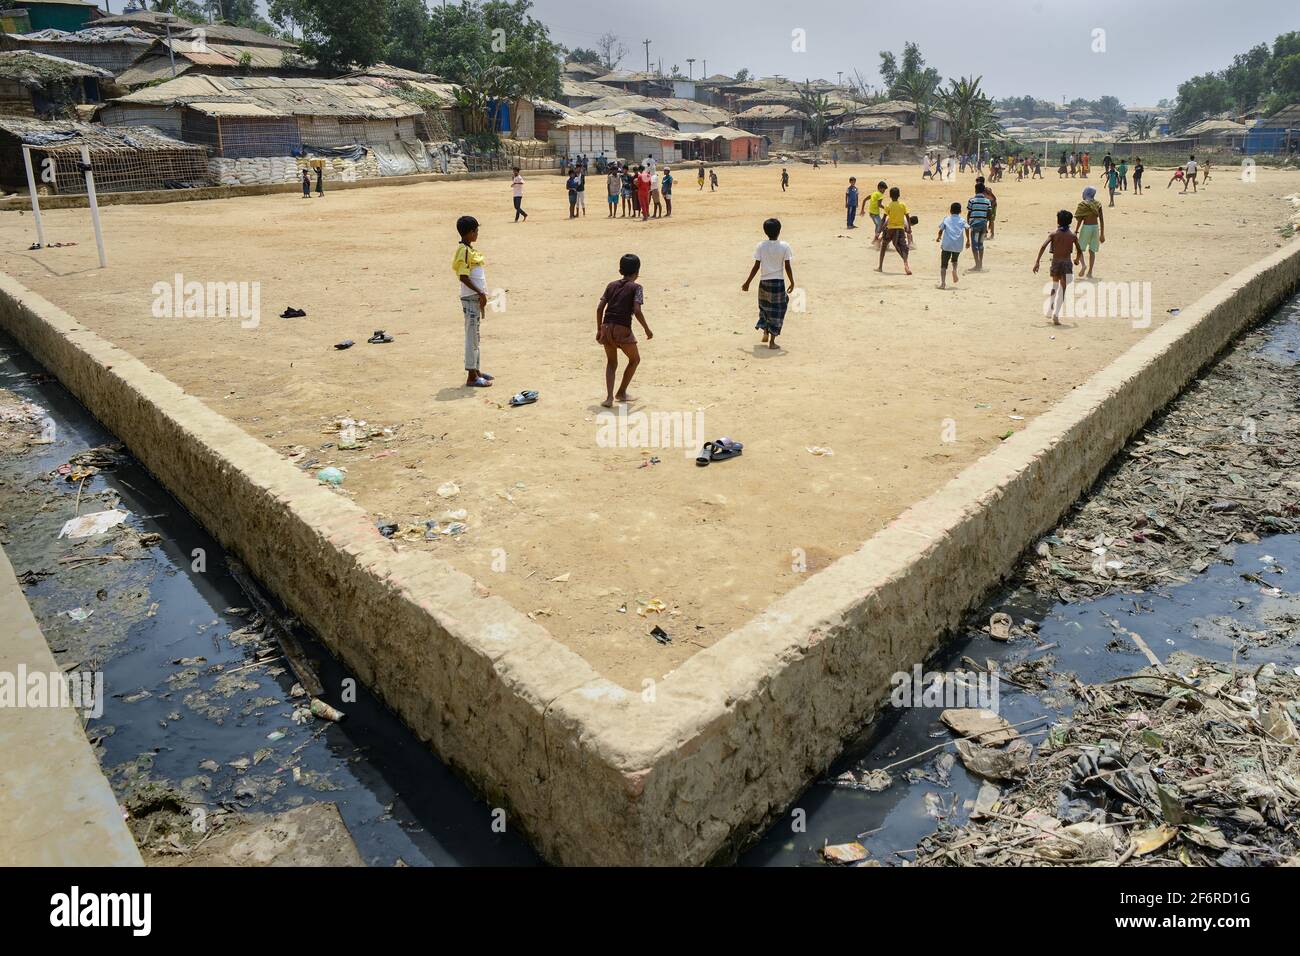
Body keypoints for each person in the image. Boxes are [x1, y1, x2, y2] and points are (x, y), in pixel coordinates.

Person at [596, 253, 653, 407]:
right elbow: (637, 310)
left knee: (611, 363)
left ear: (620, 271)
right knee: (635, 360)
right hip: (622, 329)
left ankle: (608, 398)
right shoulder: (637, 288)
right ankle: (621, 392)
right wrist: (647, 330)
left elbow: (600, 307)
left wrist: (599, 330)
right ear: (637, 272)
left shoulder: (611, 285)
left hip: (606, 327)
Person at [451, 215, 492, 388]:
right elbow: (463, 276)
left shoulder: (469, 249)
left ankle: (476, 370)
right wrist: (480, 292)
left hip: (474, 298)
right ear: (469, 233)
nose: (477, 233)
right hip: (470, 298)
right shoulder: (464, 251)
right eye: (475, 230)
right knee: (471, 336)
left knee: (475, 335)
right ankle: (471, 375)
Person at [741, 218, 794, 349]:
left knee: (764, 308)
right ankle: (772, 341)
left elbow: (756, 266)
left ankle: (765, 330)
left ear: (765, 232)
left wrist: (747, 282)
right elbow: (787, 266)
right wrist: (792, 282)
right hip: (778, 283)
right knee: (778, 310)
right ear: (779, 231)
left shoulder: (761, 246)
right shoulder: (784, 246)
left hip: (764, 282)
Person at [1034, 209, 1083, 326]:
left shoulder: (1054, 234)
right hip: (1066, 263)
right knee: (1063, 289)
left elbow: (1043, 246)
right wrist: (1076, 259)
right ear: (1070, 222)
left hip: (1056, 262)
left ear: (1058, 221)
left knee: (1054, 286)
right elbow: (1079, 250)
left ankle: (1050, 307)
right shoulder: (1072, 236)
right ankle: (1056, 314)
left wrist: (1037, 262)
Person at [876, 186, 913, 275]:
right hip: (900, 229)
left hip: (890, 230)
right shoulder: (902, 205)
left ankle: (880, 267)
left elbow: (884, 219)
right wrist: (909, 228)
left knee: (884, 247)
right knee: (903, 248)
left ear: (890, 196)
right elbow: (907, 216)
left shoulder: (888, 206)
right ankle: (906, 264)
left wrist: (879, 230)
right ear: (899, 195)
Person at [936, 201, 969, 290]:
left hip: (947, 245)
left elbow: (941, 230)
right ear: (960, 211)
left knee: (943, 265)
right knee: (955, 259)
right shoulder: (962, 220)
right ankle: (954, 270)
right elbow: (967, 228)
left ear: (950, 211)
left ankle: (943, 283)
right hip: (957, 245)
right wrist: (968, 241)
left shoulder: (946, 219)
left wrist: (938, 237)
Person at [1073, 186, 1104, 278]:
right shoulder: (1098, 204)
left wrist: (1076, 231)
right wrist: (1102, 234)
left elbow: (1080, 220)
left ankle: (1083, 265)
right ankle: (1090, 271)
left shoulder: (1083, 204)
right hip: (1095, 228)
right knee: (1092, 251)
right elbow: (1102, 220)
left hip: (1086, 227)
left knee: (1079, 248)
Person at [966, 182, 992, 272]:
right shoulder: (987, 201)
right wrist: (987, 224)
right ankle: (980, 264)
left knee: (974, 245)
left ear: (975, 190)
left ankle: (977, 265)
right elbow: (989, 214)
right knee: (981, 245)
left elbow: (969, 213)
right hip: (983, 225)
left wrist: (968, 224)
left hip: (975, 224)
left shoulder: (971, 200)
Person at [863, 180, 888, 244]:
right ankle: (875, 239)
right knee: (881, 226)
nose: (884, 191)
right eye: (883, 190)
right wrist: (886, 208)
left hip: (871, 213)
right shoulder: (880, 195)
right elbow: (879, 205)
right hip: (875, 214)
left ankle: (875, 239)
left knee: (877, 226)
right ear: (879, 188)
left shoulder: (874, 193)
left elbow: (865, 199)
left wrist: (862, 209)